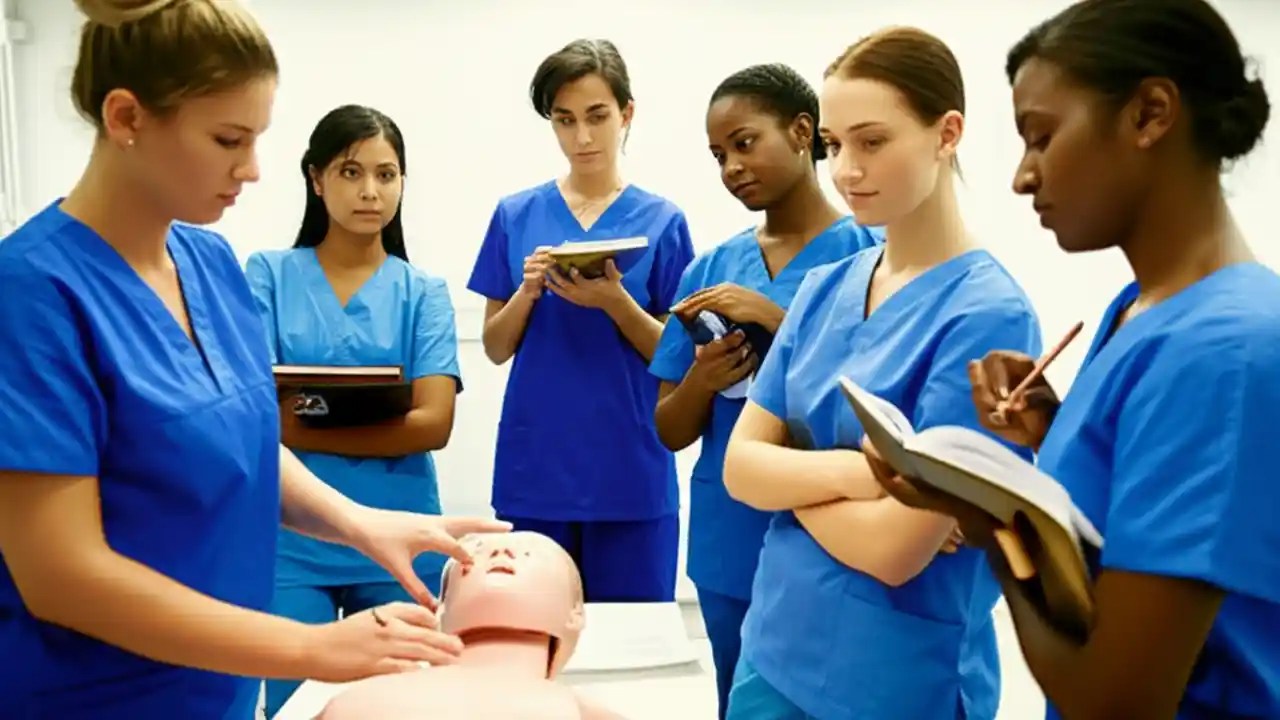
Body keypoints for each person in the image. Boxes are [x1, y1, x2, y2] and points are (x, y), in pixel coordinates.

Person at [0, 3, 506, 719]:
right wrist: (307, 651)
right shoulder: (31, 293)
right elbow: (60, 575)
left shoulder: (206, 263)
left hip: (219, 690)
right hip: (95, 695)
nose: (255, 169)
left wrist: (363, 523)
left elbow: (248, 444)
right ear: (126, 118)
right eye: (228, 139)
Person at [868, 1, 1280, 718]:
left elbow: (1115, 701)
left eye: (1043, 137)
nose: (1024, 178)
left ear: (1151, 113)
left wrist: (993, 526)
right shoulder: (1140, 307)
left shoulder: (1222, 353)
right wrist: (1054, 434)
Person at [719, 27, 1045, 720]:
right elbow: (739, 469)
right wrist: (875, 475)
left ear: (946, 132)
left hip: (896, 680)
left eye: (872, 142)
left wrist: (793, 477)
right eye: (834, 145)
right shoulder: (825, 288)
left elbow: (896, 549)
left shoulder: (990, 316)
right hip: (774, 651)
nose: (844, 170)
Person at [647, 62, 881, 718]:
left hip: (834, 533)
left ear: (803, 131)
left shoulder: (874, 253)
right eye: (719, 155)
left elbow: (875, 400)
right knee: (738, 701)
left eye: (745, 144)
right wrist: (702, 377)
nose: (731, 168)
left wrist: (777, 321)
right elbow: (667, 428)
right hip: (729, 536)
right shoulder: (711, 267)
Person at [243, 104, 463, 717]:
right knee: (293, 705)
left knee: (403, 701)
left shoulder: (424, 293)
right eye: (350, 172)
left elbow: (434, 426)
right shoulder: (268, 276)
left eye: (387, 175)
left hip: (402, 529)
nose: (370, 191)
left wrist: (311, 424)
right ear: (316, 179)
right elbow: (258, 417)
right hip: (291, 534)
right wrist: (377, 426)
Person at [466, 38, 695, 603]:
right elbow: (496, 346)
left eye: (597, 116)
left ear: (627, 114)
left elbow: (678, 353)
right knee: (529, 642)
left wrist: (615, 303)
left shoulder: (663, 222)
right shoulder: (515, 215)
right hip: (537, 467)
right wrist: (529, 289)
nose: (583, 137)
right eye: (565, 121)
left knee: (637, 649)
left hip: (629, 470)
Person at [316, 532, 626, 719]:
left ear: (575, 612)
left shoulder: (569, 706)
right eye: (475, 553)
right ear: (441, 609)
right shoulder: (568, 707)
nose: (501, 552)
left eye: (531, 554)